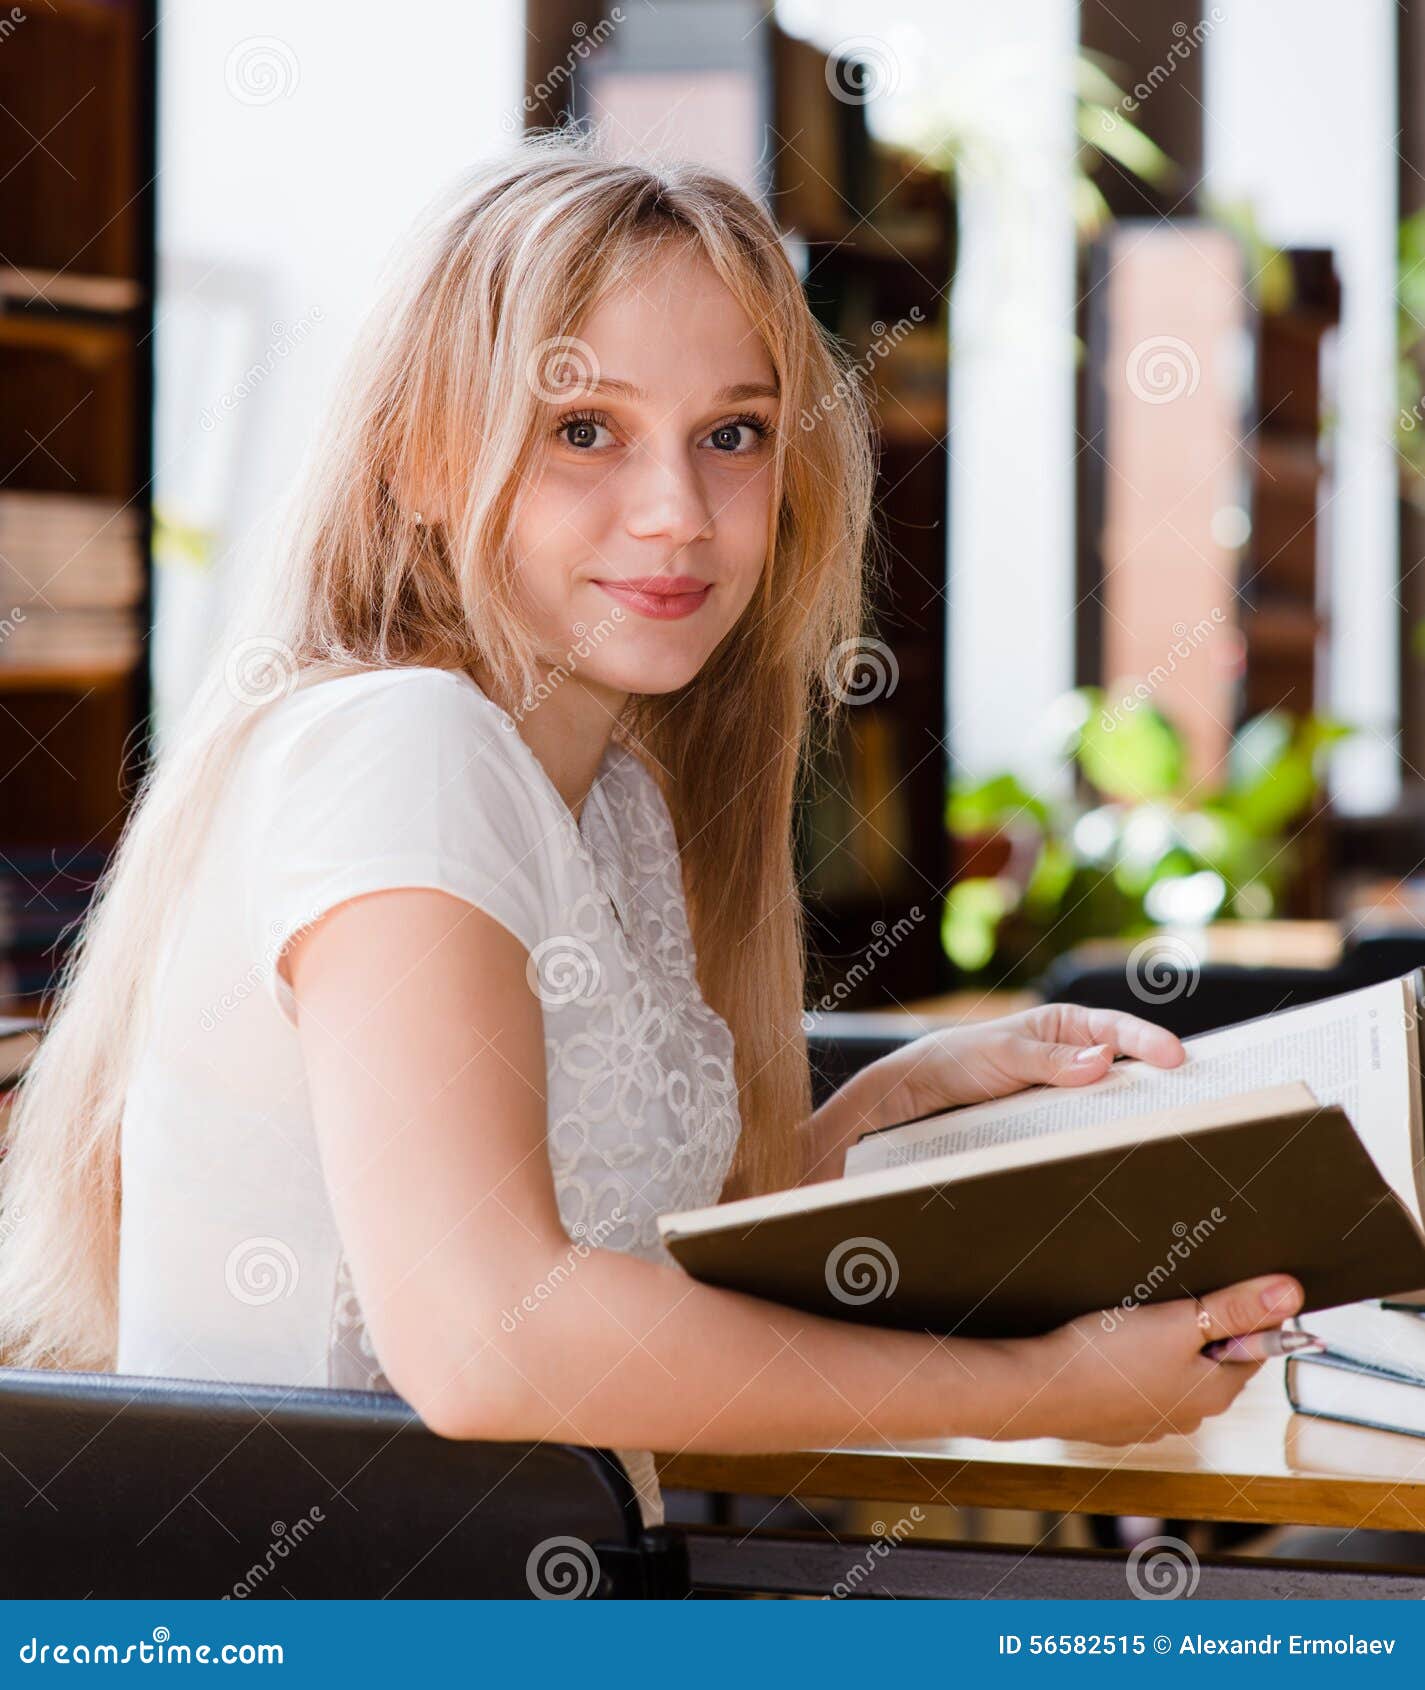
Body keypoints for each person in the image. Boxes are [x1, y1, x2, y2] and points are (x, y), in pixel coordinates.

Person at [0, 131, 1303, 1529]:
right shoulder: (402, 751)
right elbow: (492, 1338)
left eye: (731, 435)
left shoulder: (608, 795)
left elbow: (619, 1256)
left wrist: (900, 1101)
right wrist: (1044, 1389)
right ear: (423, 460)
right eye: (583, 431)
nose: (677, 514)